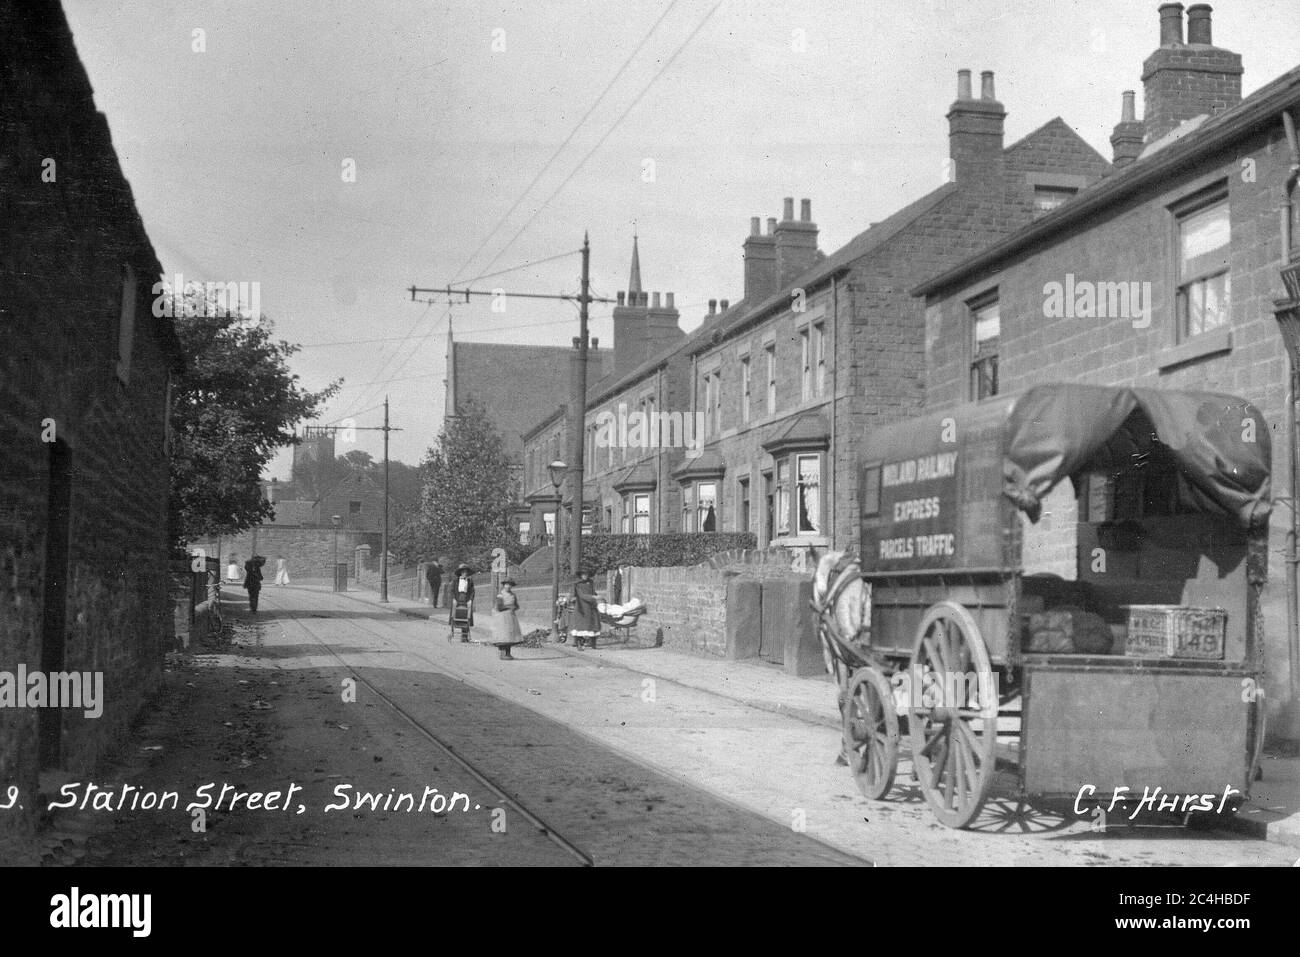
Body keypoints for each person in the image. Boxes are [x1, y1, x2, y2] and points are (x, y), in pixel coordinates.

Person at [569, 571, 601, 649]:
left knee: (593, 624)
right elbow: (581, 595)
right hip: (581, 606)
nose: (585, 576)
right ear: (580, 575)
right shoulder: (577, 584)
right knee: (581, 625)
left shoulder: (590, 582)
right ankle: (579, 644)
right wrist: (593, 598)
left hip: (591, 607)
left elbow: (592, 592)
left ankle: (592, 643)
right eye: (583, 575)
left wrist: (598, 596)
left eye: (586, 574)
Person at [448, 563, 475, 641]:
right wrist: (453, 599)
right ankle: (454, 631)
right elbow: (451, 591)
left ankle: (464, 636)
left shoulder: (470, 581)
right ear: (460, 573)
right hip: (457, 598)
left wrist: (470, 600)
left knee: (466, 616)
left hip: (466, 599)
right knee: (457, 615)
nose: (464, 574)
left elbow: (472, 592)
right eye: (463, 572)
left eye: (466, 572)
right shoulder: (455, 581)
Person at [493, 578, 522, 644]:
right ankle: (502, 653)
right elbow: (499, 607)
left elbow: (516, 605)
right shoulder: (500, 595)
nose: (508, 586)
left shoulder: (513, 595)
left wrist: (514, 607)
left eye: (510, 585)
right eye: (506, 584)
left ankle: (508, 653)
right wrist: (509, 607)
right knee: (503, 636)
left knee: (510, 636)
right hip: (502, 617)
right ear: (504, 585)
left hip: (511, 617)